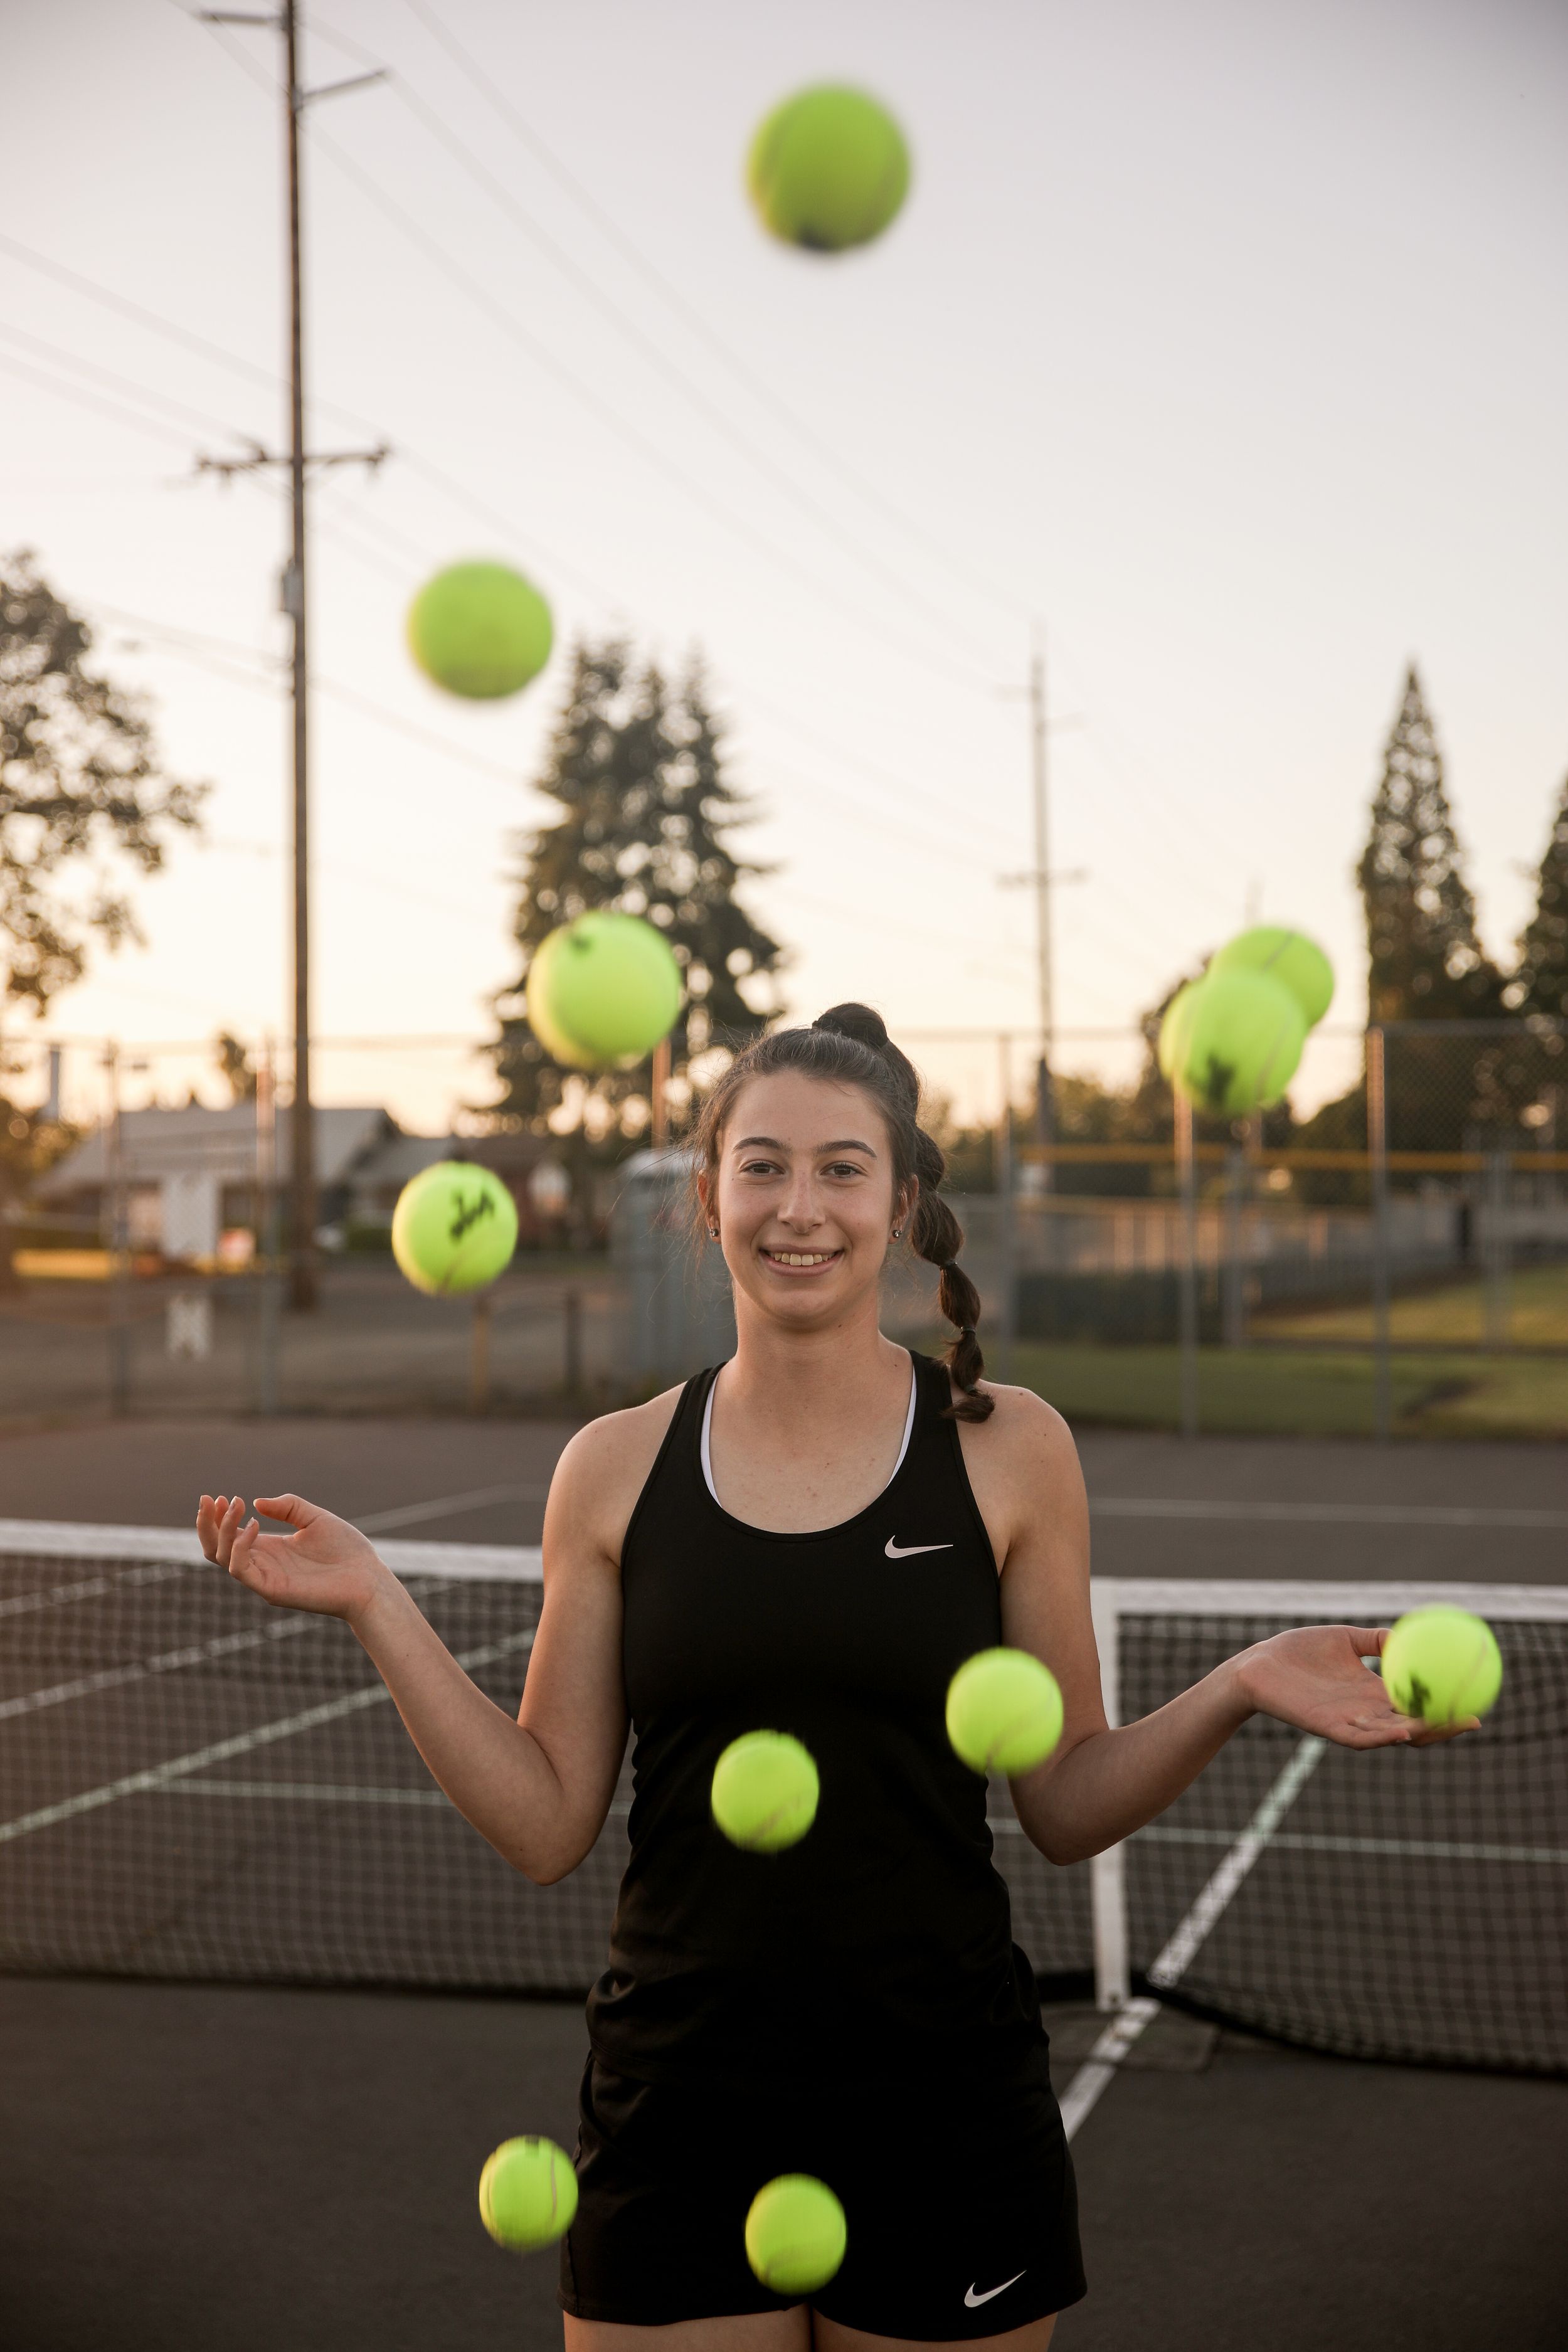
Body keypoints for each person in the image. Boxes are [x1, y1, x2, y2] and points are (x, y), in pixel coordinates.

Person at [198, 1004, 1471, 2352]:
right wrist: (376, 1602)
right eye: (761, 1165)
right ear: (708, 1194)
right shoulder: (613, 1466)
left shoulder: (1006, 1449)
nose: (797, 1207)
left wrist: (1237, 1682)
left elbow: (1063, 1802)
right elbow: (545, 1821)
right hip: (679, 2099)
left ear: (903, 1200)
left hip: (941, 2099)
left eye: (841, 1168)